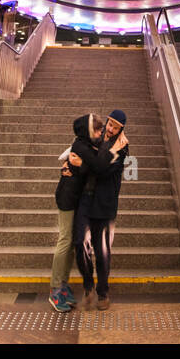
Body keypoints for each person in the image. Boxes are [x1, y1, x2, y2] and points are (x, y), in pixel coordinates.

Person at [72, 108, 129, 310]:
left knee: (102, 251)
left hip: (105, 205)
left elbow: (102, 169)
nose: (110, 129)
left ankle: (103, 292)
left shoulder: (122, 148)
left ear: (121, 129)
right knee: (80, 243)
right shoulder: (95, 138)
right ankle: (88, 284)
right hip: (86, 200)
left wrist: (84, 163)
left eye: (115, 127)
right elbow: (84, 154)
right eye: (109, 124)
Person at [50, 113, 106, 312]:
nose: (101, 133)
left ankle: (63, 285)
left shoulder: (86, 146)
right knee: (65, 240)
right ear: (88, 130)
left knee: (73, 242)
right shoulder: (80, 147)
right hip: (67, 199)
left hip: (77, 200)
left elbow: (91, 167)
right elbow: (98, 167)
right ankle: (56, 288)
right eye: (98, 130)